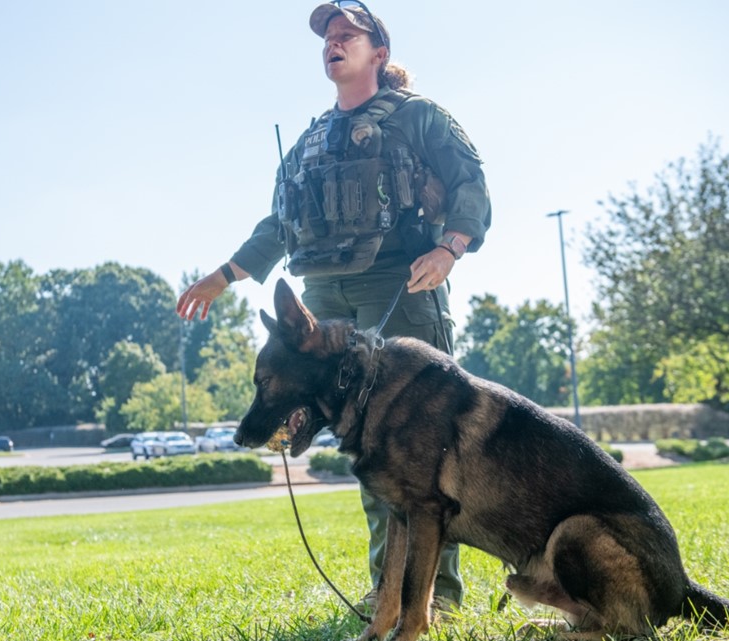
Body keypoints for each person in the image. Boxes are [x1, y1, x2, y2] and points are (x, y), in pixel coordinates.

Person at [176, 0, 492, 615]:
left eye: (349, 34)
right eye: (328, 36)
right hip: (321, 304)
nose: (334, 42)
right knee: (368, 447)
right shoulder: (309, 140)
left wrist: (450, 248)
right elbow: (280, 223)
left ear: (379, 53)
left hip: (398, 287)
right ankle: (388, 589)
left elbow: (470, 184)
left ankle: (437, 597)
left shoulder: (420, 116)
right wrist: (223, 276)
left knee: (423, 444)